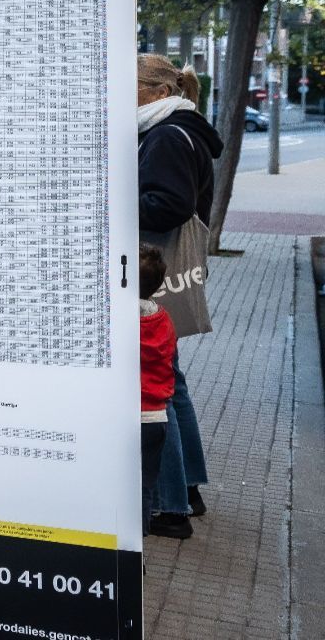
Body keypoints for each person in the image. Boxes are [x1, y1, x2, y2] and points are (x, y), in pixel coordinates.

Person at [137, 53, 221, 537]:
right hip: (170, 269)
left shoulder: (167, 133)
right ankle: (187, 487)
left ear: (159, 92)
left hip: (154, 269)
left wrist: (109, 197)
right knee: (171, 378)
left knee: (153, 385)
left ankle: (170, 508)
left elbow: (168, 204)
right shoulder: (179, 128)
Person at [137, 244, 179, 537]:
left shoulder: (120, 321)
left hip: (129, 417)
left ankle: (122, 556)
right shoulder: (163, 320)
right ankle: (138, 547)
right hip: (157, 418)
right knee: (144, 488)